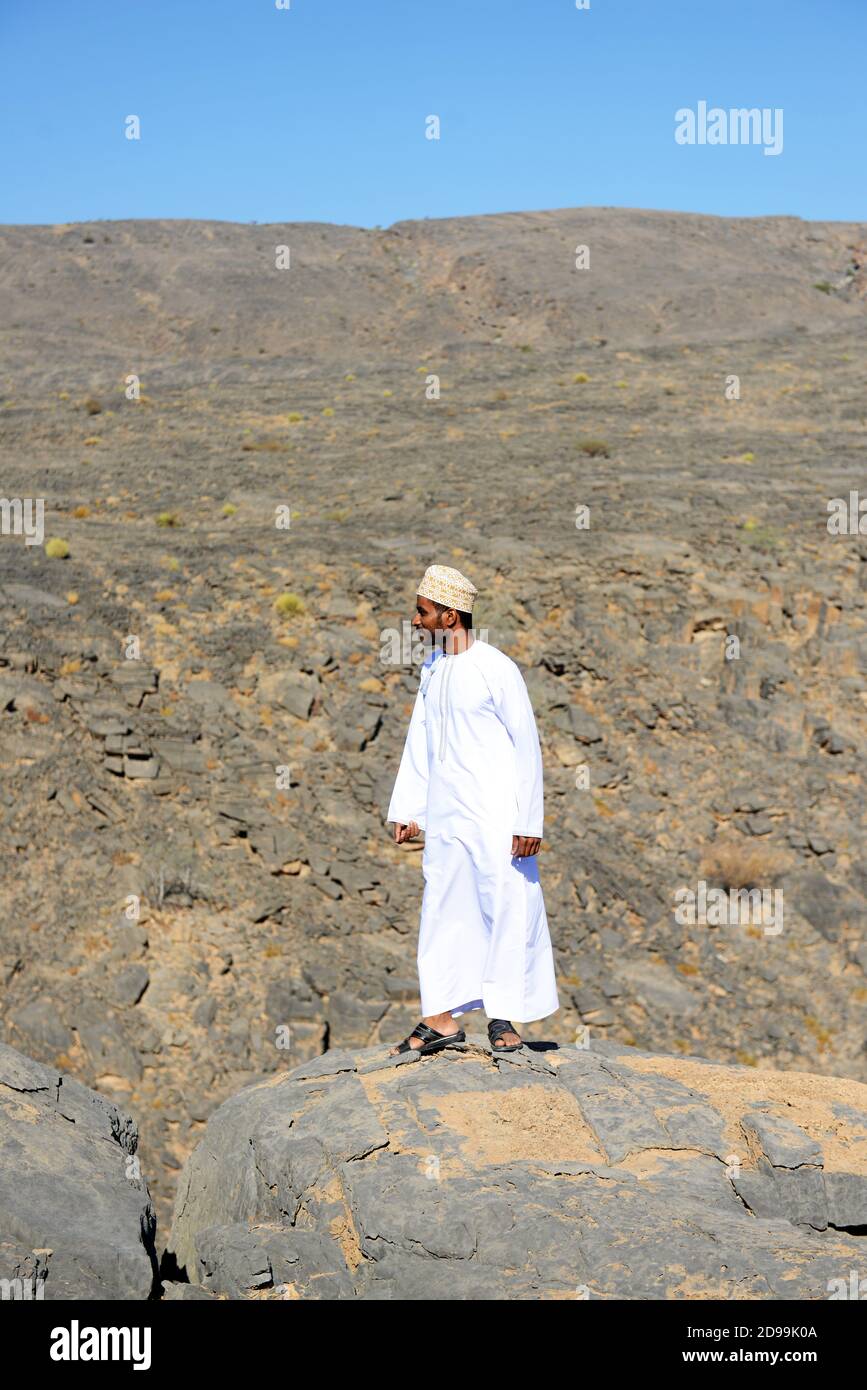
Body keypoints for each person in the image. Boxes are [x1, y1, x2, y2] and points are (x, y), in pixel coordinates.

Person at [386, 564, 559, 1056]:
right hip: (448, 817)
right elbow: (420, 742)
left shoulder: (496, 667)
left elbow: (528, 745)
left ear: (448, 614)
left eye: (422, 612)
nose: (415, 622)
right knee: (444, 909)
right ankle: (439, 1019)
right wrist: (410, 810)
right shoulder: (433, 669)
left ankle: (503, 1019)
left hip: (497, 817)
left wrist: (530, 821)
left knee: (503, 907)